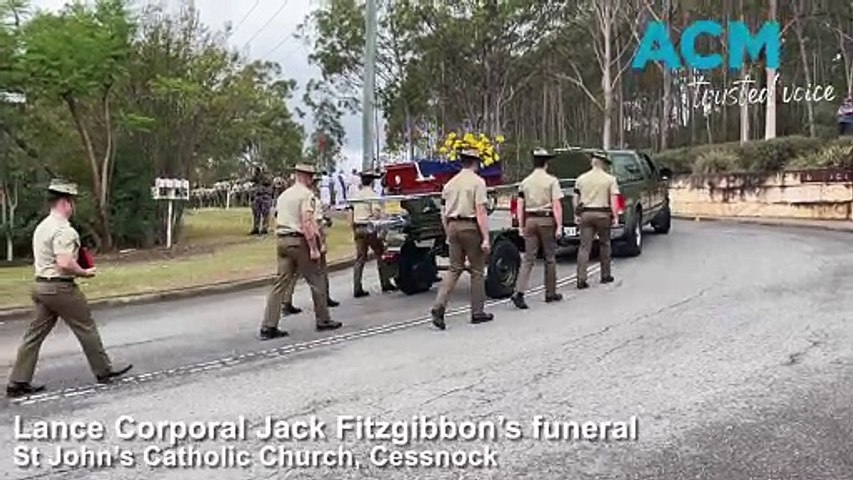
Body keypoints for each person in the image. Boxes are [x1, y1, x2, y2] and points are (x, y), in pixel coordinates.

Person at [6, 180, 133, 398]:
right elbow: (64, 263)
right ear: (65, 202)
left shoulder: (42, 226)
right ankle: (104, 371)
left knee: (33, 336)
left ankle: (18, 381)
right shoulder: (64, 230)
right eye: (72, 203)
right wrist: (84, 273)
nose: (73, 207)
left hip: (41, 286)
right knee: (86, 326)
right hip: (60, 288)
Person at [260, 164, 342, 340]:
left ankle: (268, 325)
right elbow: (307, 221)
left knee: (280, 283)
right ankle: (323, 320)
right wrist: (313, 247)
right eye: (312, 177)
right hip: (299, 240)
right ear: (309, 177)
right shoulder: (306, 195)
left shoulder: (284, 195)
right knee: (316, 278)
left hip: (282, 239)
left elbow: (276, 216)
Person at [430, 149, 493, 330]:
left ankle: (439, 305)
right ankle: (477, 312)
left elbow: (443, 211)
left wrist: (448, 233)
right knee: (477, 270)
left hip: (452, 226)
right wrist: (486, 237)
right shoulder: (478, 183)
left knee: (454, 268)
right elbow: (480, 211)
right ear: (476, 162)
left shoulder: (450, 184)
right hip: (470, 226)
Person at [511, 149, 564, 309]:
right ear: (546, 163)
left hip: (530, 219)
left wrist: (521, 225)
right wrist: (559, 226)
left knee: (528, 258)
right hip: (546, 219)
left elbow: (520, 205)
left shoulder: (525, 182)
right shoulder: (551, 181)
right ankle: (550, 292)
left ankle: (519, 292)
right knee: (550, 257)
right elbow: (556, 205)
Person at [573, 151, 619, 289]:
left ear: (592, 162)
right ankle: (605, 275)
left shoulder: (581, 179)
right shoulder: (610, 179)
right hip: (603, 214)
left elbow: (575, 198)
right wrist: (615, 216)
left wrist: (577, 213)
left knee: (584, 247)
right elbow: (613, 199)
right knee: (605, 244)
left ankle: (581, 278)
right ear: (603, 164)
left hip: (586, 214)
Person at [350, 169, 397, 297]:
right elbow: (376, 214)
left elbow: (351, 213)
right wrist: (381, 228)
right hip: (369, 227)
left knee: (360, 258)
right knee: (380, 253)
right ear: (372, 181)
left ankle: (357, 287)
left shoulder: (356, 195)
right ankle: (385, 283)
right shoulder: (373, 195)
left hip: (357, 227)